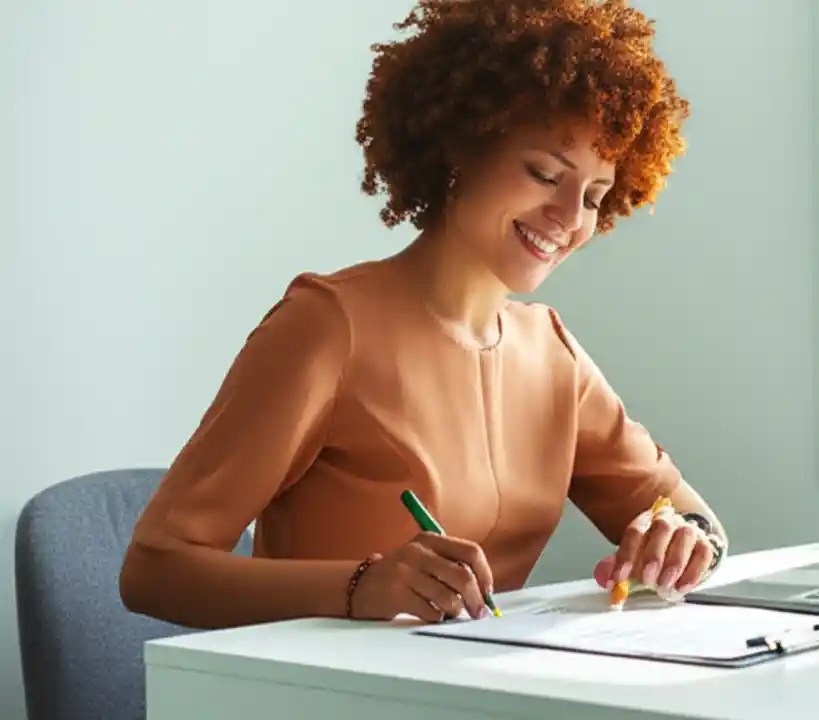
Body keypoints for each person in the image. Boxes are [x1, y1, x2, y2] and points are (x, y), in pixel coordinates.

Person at [118, 0, 728, 629]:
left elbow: (693, 519)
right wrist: (357, 587)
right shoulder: (329, 327)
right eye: (546, 173)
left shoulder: (550, 354)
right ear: (462, 146)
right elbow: (154, 569)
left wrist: (684, 543)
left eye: (597, 197)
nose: (572, 218)